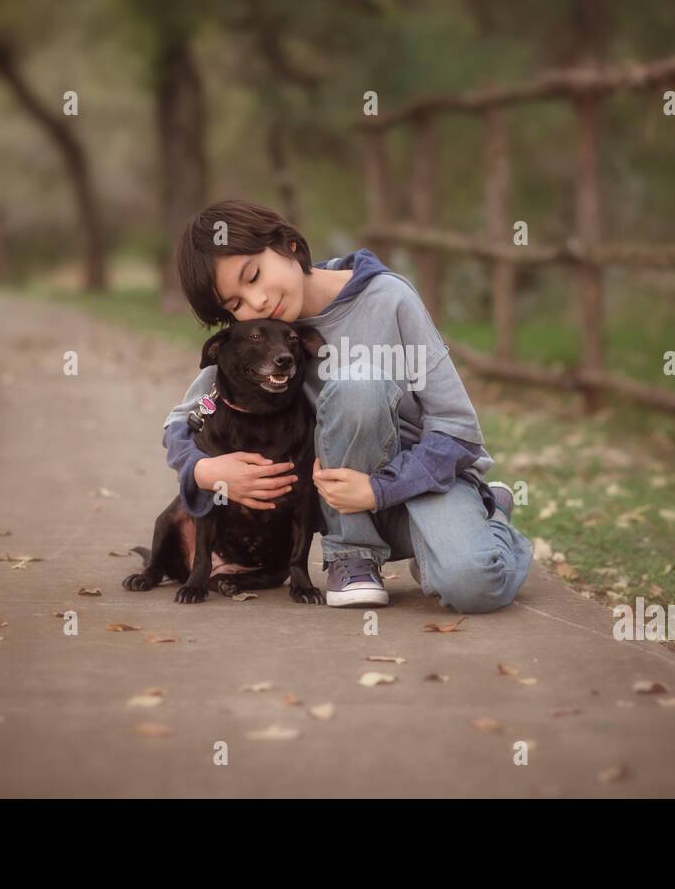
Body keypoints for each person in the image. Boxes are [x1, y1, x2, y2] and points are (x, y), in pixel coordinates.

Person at [162, 198, 532, 611]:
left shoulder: (389, 299)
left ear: (287, 245)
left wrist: (379, 488)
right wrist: (202, 468)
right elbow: (187, 417)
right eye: (236, 305)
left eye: (254, 276)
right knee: (354, 389)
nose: (257, 303)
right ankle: (352, 557)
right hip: (337, 508)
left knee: (473, 586)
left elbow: (458, 430)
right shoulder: (258, 337)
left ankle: (491, 513)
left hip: (423, 482)